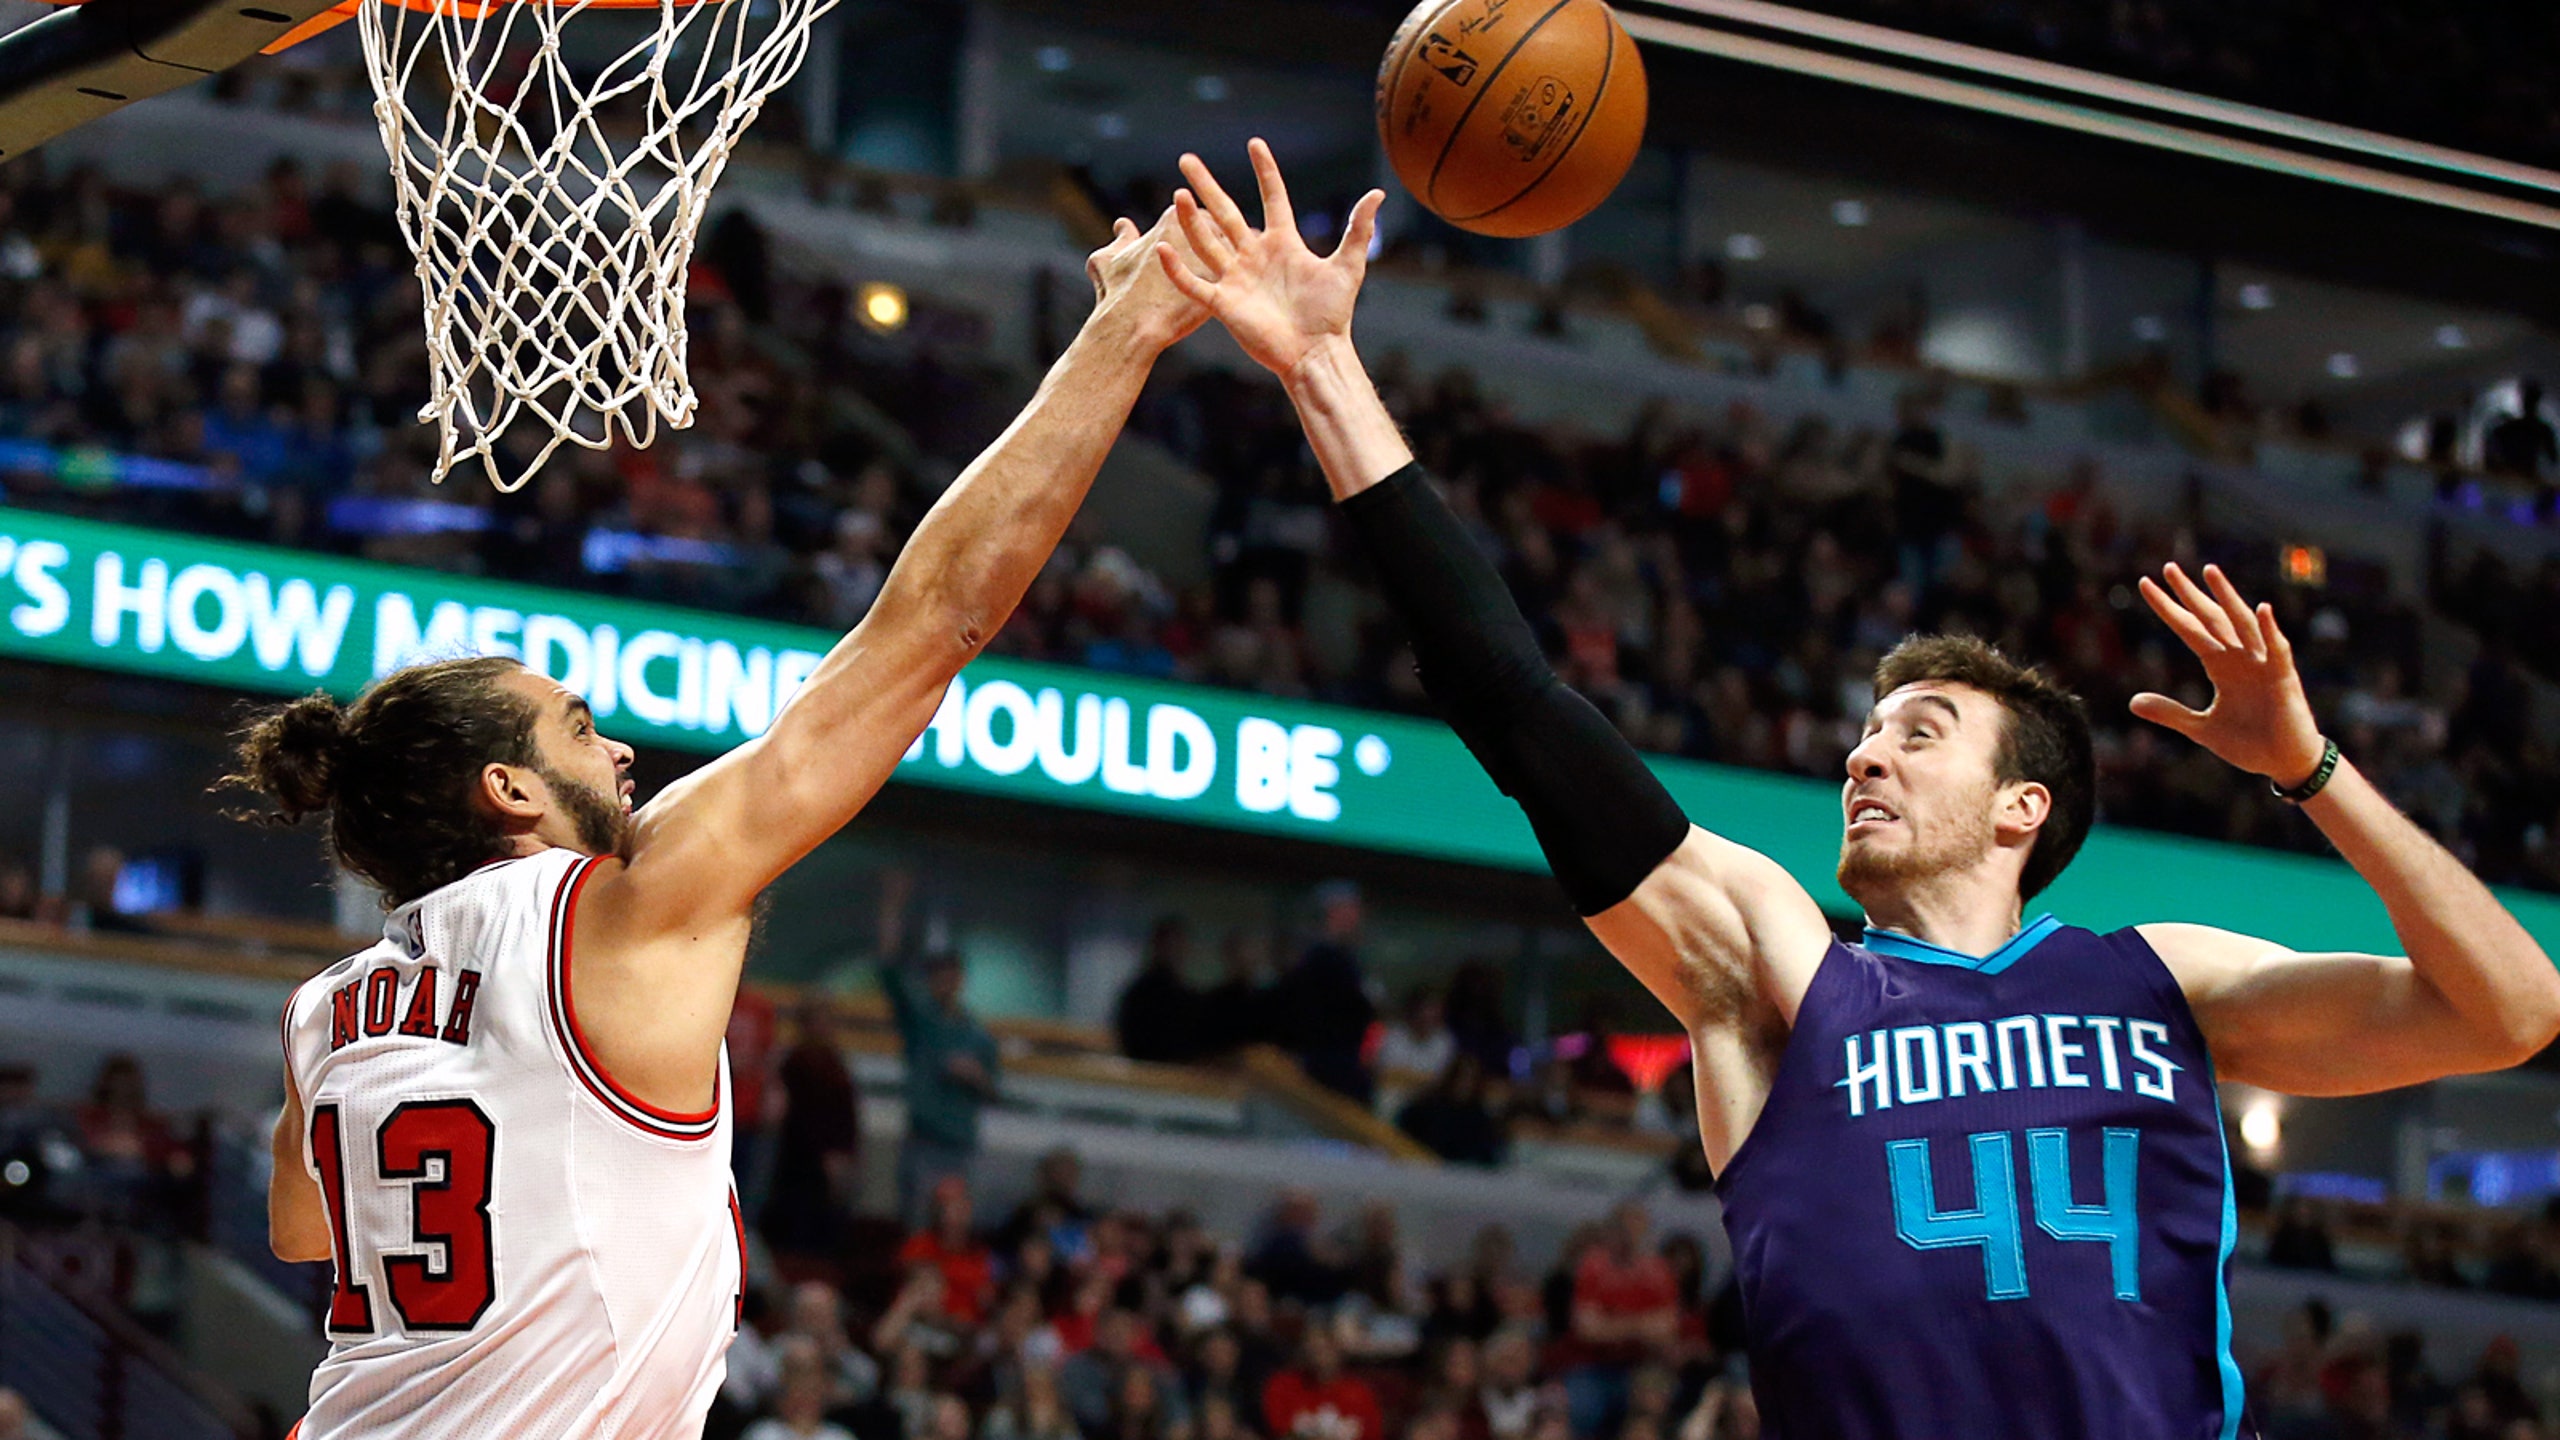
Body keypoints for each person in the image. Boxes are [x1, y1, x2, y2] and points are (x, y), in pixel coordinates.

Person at [1159, 139, 2560, 1440]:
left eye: (1921, 731)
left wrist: (2312, 773)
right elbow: (1519, 712)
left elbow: (2510, 1009)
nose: (1864, 754)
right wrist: (1323, 373)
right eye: (1866, 731)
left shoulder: (2159, 984)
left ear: (2024, 808)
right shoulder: (1782, 978)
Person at [243, 204, 1214, 1439]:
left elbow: (300, 1224)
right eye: (583, 729)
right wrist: (1123, 335)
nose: (623, 750)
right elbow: (931, 628)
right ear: (511, 791)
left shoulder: (325, 1011)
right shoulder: (614, 910)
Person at [1265, 881, 1375, 1102]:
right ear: (1334, 912)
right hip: (1322, 1073)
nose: (1358, 917)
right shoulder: (1320, 960)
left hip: (1340, 1069)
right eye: (1352, 909)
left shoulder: (1346, 960)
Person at [1116, 916, 1204, 1064]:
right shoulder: (1143, 994)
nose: (1177, 952)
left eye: (1180, 945)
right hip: (1156, 1076)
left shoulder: (1185, 993)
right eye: (1171, 945)